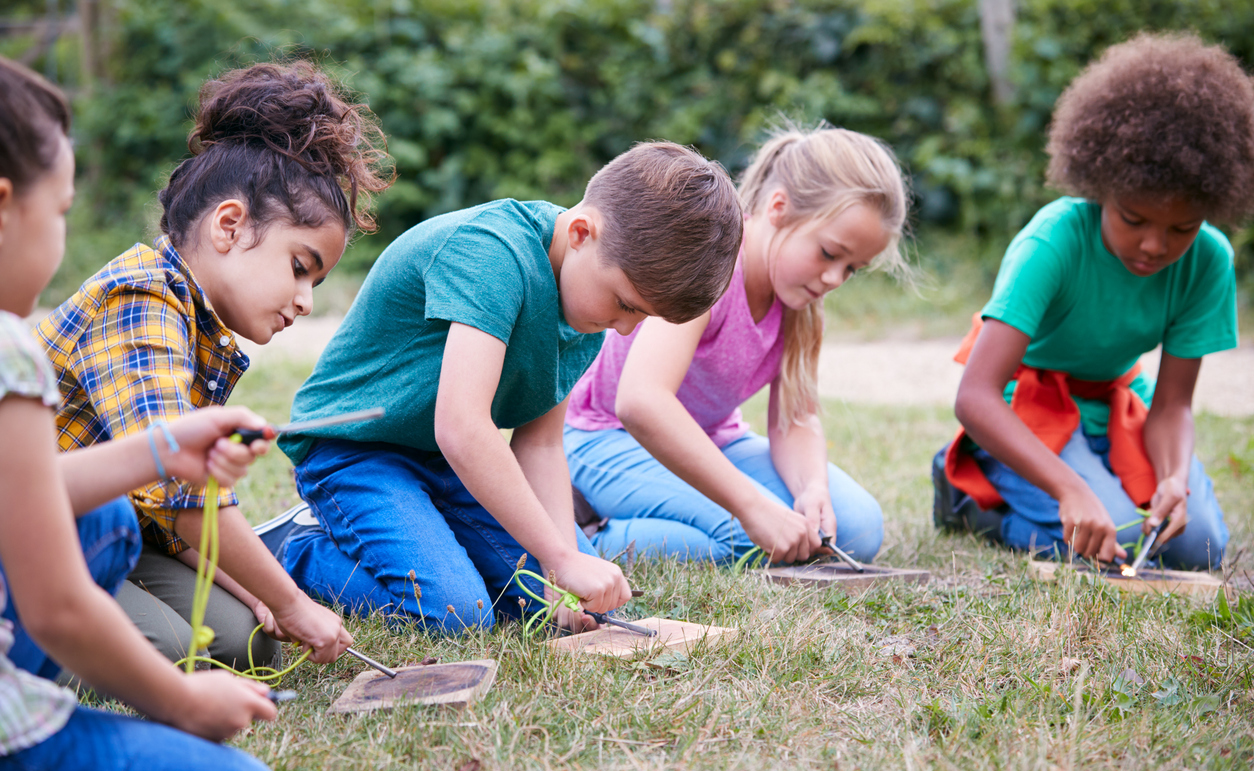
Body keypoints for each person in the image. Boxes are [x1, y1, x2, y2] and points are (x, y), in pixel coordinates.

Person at [270, 141, 743, 632]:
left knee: (560, 608)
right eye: (626, 304)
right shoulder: (492, 253)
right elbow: (462, 427)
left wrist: (560, 574)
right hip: (354, 450)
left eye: (641, 316)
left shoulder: (587, 313)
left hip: (443, 462)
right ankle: (294, 548)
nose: (624, 328)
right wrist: (560, 555)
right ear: (581, 233)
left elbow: (539, 445)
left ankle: (432, 530)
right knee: (457, 614)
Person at [0, 55, 281, 771]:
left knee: (103, 521)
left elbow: (21, 493)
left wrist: (160, 450)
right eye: (59, 212)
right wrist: (186, 704)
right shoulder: (8, 346)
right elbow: (57, 608)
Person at [35, 60, 390, 670]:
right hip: (33, 535)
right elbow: (182, 495)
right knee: (169, 651)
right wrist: (299, 605)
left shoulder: (200, 324)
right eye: (300, 267)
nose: (306, 301)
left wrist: (265, 597)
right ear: (229, 226)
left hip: (115, 534)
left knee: (251, 642)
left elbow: (162, 507)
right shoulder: (138, 297)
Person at [932, 33, 1254, 569]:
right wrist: (1069, 488)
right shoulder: (1052, 242)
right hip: (1024, 410)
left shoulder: (1208, 260)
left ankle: (1092, 486)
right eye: (1133, 218)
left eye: (1182, 227)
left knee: (1197, 547)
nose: (1155, 245)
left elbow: (1173, 405)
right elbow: (976, 397)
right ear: (1100, 184)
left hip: (1113, 406)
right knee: (1121, 542)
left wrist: (1175, 478)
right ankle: (971, 500)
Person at [564, 126, 909, 565]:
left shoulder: (801, 300)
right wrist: (751, 505)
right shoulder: (709, 269)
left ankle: (694, 526)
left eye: (852, 269)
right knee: (757, 535)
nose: (834, 279)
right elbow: (641, 401)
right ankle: (588, 534)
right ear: (778, 208)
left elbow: (794, 418)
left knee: (854, 528)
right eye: (829, 253)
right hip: (606, 441)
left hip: (712, 440)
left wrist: (812, 488)